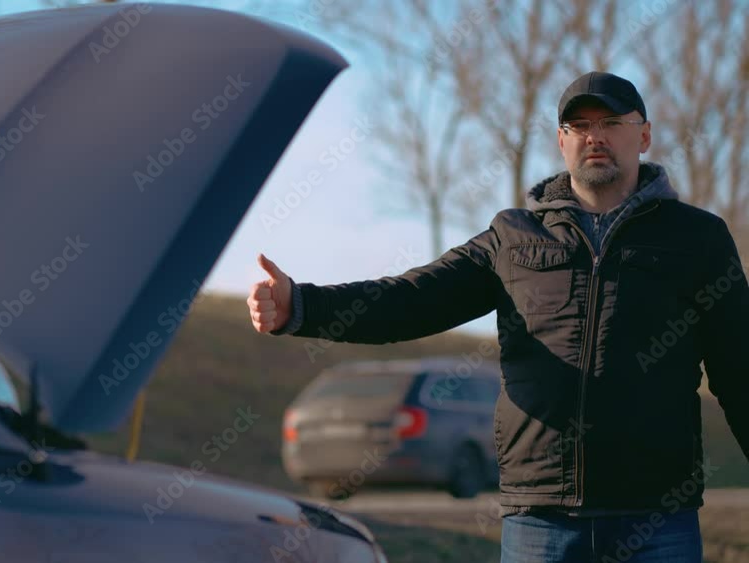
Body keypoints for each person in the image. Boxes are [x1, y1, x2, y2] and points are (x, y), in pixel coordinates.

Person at [246, 71, 748, 562]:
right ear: (561, 141)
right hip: (541, 520)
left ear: (643, 136)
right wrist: (302, 306)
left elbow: (739, 366)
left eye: (611, 122)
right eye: (580, 126)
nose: (595, 136)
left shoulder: (697, 239)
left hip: (656, 517)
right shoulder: (514, 237)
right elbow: (412, 299)